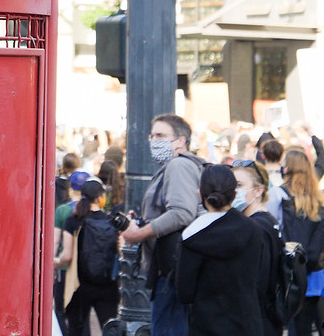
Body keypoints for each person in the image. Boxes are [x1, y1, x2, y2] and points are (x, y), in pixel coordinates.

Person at [121, 113, 206, 336]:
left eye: (160, 135)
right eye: (152, 135)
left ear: (181, 140)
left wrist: (139, 233)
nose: (154, 140)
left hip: (172, 272)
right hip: (175, 271)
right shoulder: (180, 166)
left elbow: (181, 213)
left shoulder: (179, 165)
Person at [176, 164, 262, 335]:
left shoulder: (193, 236)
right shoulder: (253, 229)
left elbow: (184, 293)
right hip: (247, 323)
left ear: (200, 194)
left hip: (207, 325)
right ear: (234, 194)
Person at [268, 148, 324, 336]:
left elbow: (271, 226)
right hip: (319, 271)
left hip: (294, 271)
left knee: (298, 326)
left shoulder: (278, 194)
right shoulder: (318, 198)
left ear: (288, 168)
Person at [55, 178, 119, 336]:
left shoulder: (74, 221)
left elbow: (67, 256)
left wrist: (54, 263)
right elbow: (121, 251)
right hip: (108, 286)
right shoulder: (113, 221)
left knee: (77, 330)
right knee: (111, 328)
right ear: (100, 198)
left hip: (79, 286)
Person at [232, 159, 284, 336]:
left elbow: (257, 282)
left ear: (259, 190)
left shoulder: (257, 227)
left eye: (239, 185)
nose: (233, 190)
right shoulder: (266, 222)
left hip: (257, 321)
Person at [54, 170, 90, 334]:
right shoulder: (92, 210)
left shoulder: (62, 210)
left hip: (64, 267)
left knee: (61, 309)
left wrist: (53, 264)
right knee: (84, 315)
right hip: (84, 268)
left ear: (71, 188)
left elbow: (55, 241)